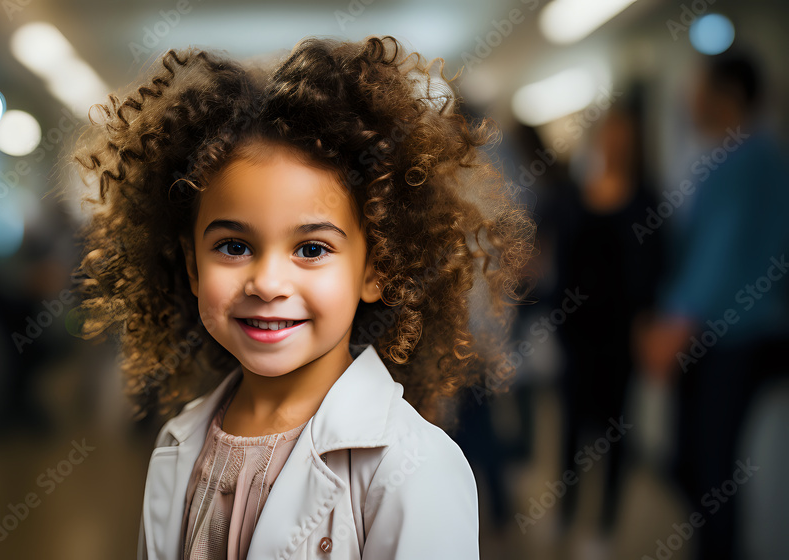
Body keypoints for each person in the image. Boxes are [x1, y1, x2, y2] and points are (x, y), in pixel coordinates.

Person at [69, 36, 533, 559]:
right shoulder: (178, 444)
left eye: (311, 248)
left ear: (376, 268)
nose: (268, 283)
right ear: (193, 264)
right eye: (234, 246)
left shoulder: (414, 469)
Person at [638, 51, 789, 559]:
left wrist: (677, 321)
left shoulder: (751, 160)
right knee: (698, 464)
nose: (689, 99)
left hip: (735, 337)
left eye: (698, 88)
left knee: (711, 468)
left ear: (727, 96)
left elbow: (719, 254)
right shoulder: (727, 158)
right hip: (720, 334)